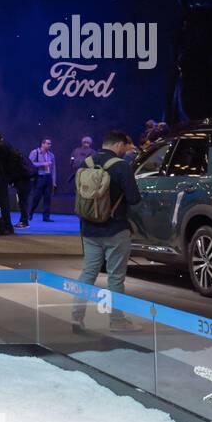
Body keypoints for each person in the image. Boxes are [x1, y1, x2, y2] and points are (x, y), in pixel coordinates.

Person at [71, 129, 143, 333]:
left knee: (88, 273)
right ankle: (117, 320)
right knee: (115, 277)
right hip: (115, 229)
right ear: (119, 145)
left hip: (89, 229)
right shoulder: (122, 167)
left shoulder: (86, 163)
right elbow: (134, 199)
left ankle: (76, 316)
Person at [27, 138, 57, 222]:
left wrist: (54, 181)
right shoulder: (35, 152)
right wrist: (42, 164)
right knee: (36, 197)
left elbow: (54, 168)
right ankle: (30, 213)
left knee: (47, 198)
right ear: (43, 144)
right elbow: (29, 163)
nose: (49, 145)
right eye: (48, 143)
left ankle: (46, 217)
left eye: (50, 144)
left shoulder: (51, 155)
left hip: (48, 177)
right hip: (39, 177)